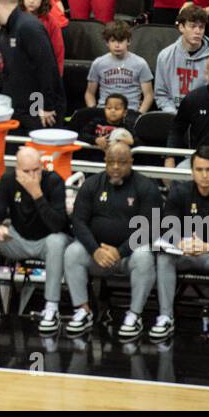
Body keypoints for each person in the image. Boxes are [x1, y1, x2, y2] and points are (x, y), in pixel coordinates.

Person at [0, 146, 68, 334]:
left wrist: (37, 194)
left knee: (57, 241)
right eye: (26, 172)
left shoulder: (54, 181)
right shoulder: (8, 180)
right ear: (17, 169)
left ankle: (52, 307)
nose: (32, 176)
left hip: (46, 241)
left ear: (42, 166)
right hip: (18, 239)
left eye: (36, 170)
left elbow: (59, 225)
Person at [64, 142, 161, 338]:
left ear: (131, 162)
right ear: (105, 162)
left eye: (122, 162)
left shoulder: (146, 187)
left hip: (129, 255)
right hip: (97, 255)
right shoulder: (92, 185)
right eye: (111, 162)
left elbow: (151, 227)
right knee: (72, 252)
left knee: (144, 256)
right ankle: (83, 310)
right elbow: (78, 222)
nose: (116, 167)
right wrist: (95, 250)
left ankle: (135, 315)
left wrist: (121, 251)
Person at [150, 146, 209, 345]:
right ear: (192, 170)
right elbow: (167, 224)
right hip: (184, 253)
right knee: (163, 254)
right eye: (200, 170)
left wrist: (208, 246)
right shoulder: (179, 192)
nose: (204, 175)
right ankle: (166, 317)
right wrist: (180, 242)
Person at [0, 0, 63, 132]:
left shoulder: (28, 27)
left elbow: (47, 67)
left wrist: (47, 106)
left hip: (37, 105)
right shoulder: (4, 31)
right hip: (16, 105)